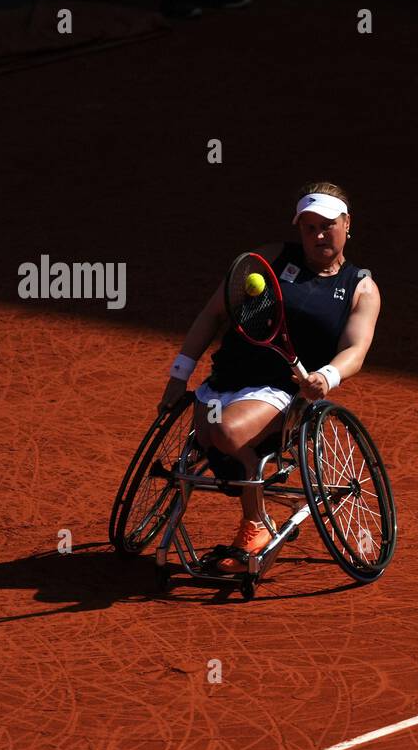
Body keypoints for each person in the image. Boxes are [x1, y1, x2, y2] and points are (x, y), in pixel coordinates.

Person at [158, 181, 382, 572]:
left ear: (347, 224)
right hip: (223, 379)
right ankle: (253, 484)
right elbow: (213, 314)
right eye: (309, 226)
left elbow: (356, 350)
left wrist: (327, 376)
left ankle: (257, 521)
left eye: (328, 225)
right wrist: (180, 373)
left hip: (280, 391)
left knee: (225, 433)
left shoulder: (360, 288)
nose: (318, 235)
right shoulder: (269, 260)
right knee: (210, 439)